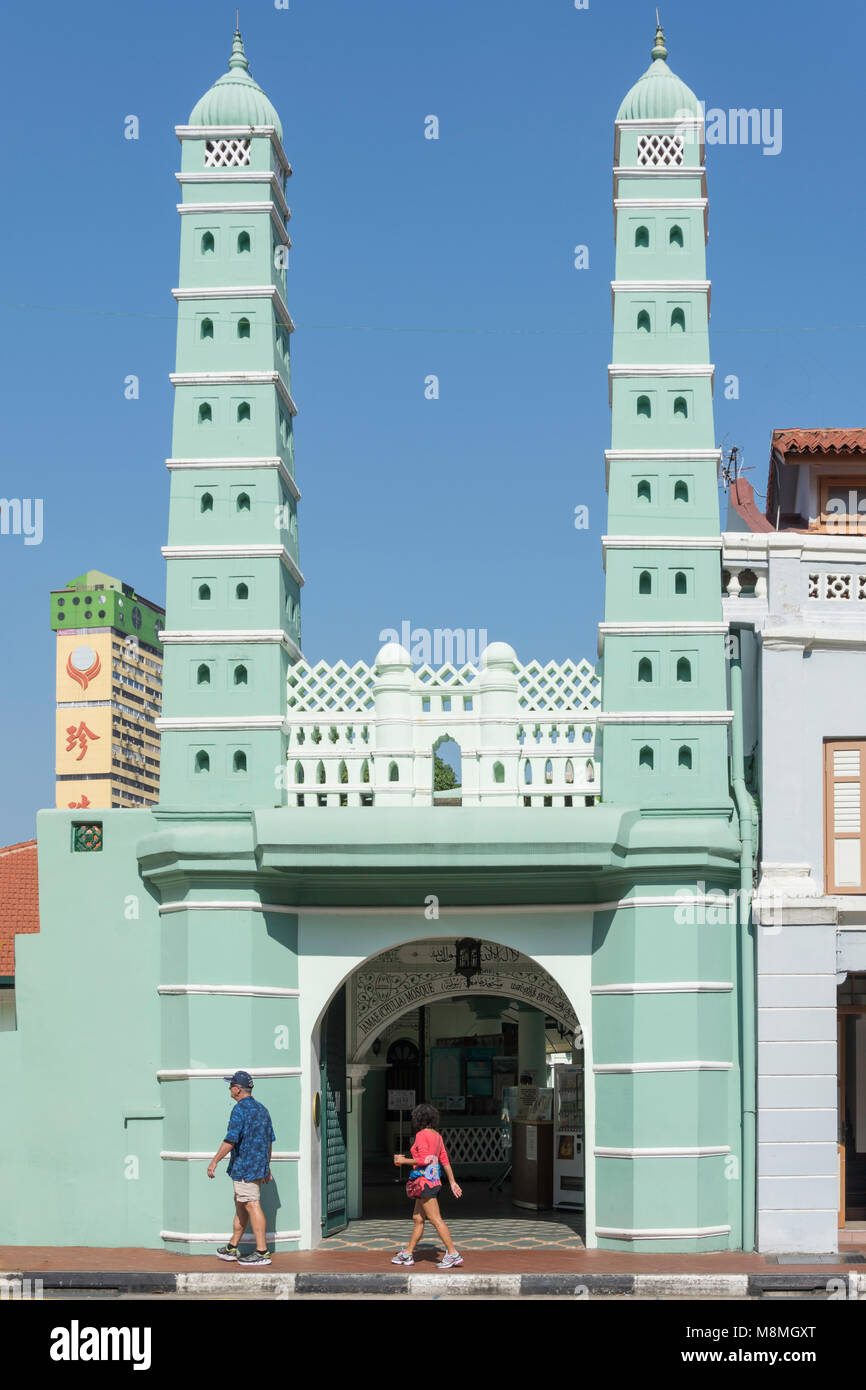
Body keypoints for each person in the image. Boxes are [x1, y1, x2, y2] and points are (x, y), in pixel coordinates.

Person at [207, 1070, 275, 1266]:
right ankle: (232, 1247)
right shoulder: (263, 1110)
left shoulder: (239, 1110)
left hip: (245, 1167)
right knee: (241, 1204)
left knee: (251, 1204)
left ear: (237, 1089)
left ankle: (262, 1252)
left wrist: (215, 1161)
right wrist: (266, 1166)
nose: (229, 1089)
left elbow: (231, 1140)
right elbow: (269, 1141)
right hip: (256, 1166)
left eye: (231, 1086)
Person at [391, 1102, 463, 1268]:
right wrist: (452, 1182)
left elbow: (423, 1159)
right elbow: (444, 1160)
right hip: (433, 1182)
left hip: (424, 1183)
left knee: (436, 1219)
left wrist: (403, 1160)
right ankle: (408, 1253)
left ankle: (453, 1253)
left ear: (418, 1118)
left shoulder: (421, 1135)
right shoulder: (437, 1136)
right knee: (418, 1218)